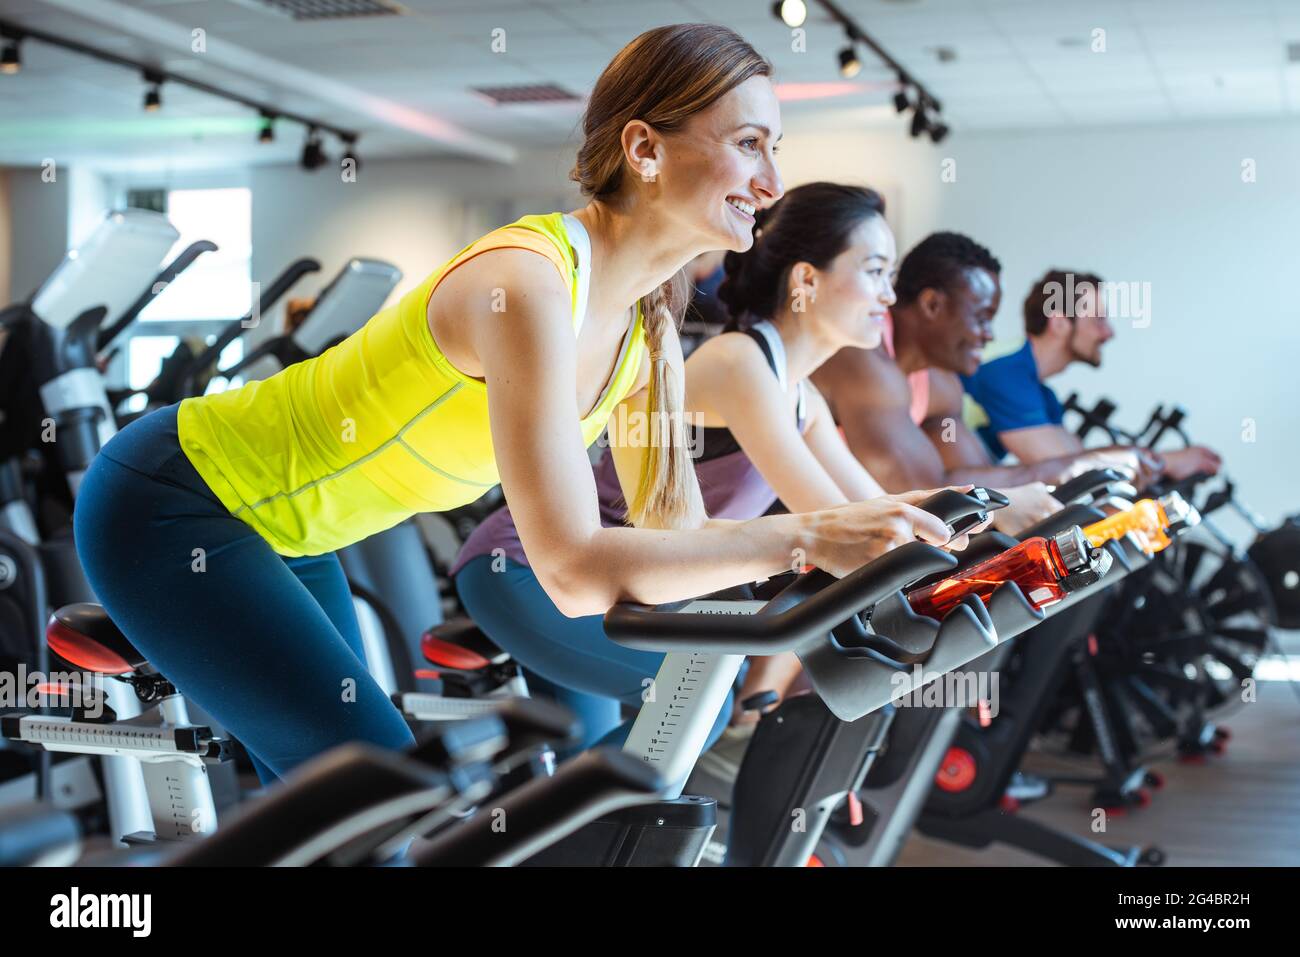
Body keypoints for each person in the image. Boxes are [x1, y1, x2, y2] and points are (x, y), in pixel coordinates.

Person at [72, 24, 953, 783]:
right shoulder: (527, 284)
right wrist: (806, 538)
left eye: (776, 151)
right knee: (380, 792)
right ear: (644, 149)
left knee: (329, 811)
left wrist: (851, 559)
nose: (769, 183)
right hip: (179, 502)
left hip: (299, 535)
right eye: (750, 144)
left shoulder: (649, 317)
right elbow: (573, 569)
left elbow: (673, 533)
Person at [453, 182, 981, 749]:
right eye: (876, 271)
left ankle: (541, 835)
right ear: (806, 280)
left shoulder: (802, 397)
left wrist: (987, 514)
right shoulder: (739, 363)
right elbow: (827, 517)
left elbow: (868, 508)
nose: (888, 296)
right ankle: (550, 838)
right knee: (691, 706)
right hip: (526, 570)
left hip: (616, 588)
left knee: (592, 753)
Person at [811, 233, 1153, 531]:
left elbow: (967, 474)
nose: (989, 335)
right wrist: (1071, 468)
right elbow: (926, 493)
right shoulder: (864, 357)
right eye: (981, 317)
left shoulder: (941, 384)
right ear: (931, 304)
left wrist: (1075, 470)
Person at [962, 268, 1221, 478]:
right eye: (1098, 319)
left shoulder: (1042, 393)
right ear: (1060, 323)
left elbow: (1078, 458)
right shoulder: (1006, 371)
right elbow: (1068, 473)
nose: (1109, 333)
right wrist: (1167, 461)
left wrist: (1159, 462)